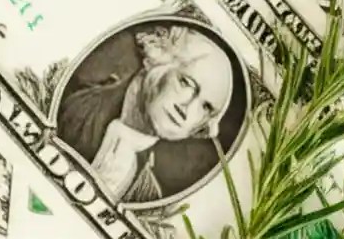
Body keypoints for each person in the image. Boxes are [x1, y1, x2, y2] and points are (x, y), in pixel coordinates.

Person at [57, 25, 236, 204]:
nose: (187, 108)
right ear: (159, 61)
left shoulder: (147, 194)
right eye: (186, 83)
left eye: (206, 107)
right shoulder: (75, 104)